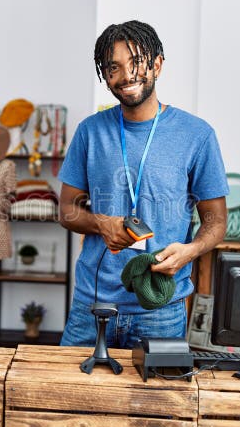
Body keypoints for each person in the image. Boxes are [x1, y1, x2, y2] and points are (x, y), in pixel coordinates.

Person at [58, 20, 229, 349]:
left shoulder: (197, 135)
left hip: (160, 307)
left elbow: (216, 220)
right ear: (105, 75)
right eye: (114, 67)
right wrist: (101, 223)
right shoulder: (90, 132)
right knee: (65, 384)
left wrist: (189, 252)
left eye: (136, 62)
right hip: (92, 305)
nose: (126, 75)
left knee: (156, 387)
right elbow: (66, 210)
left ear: (157, 65)